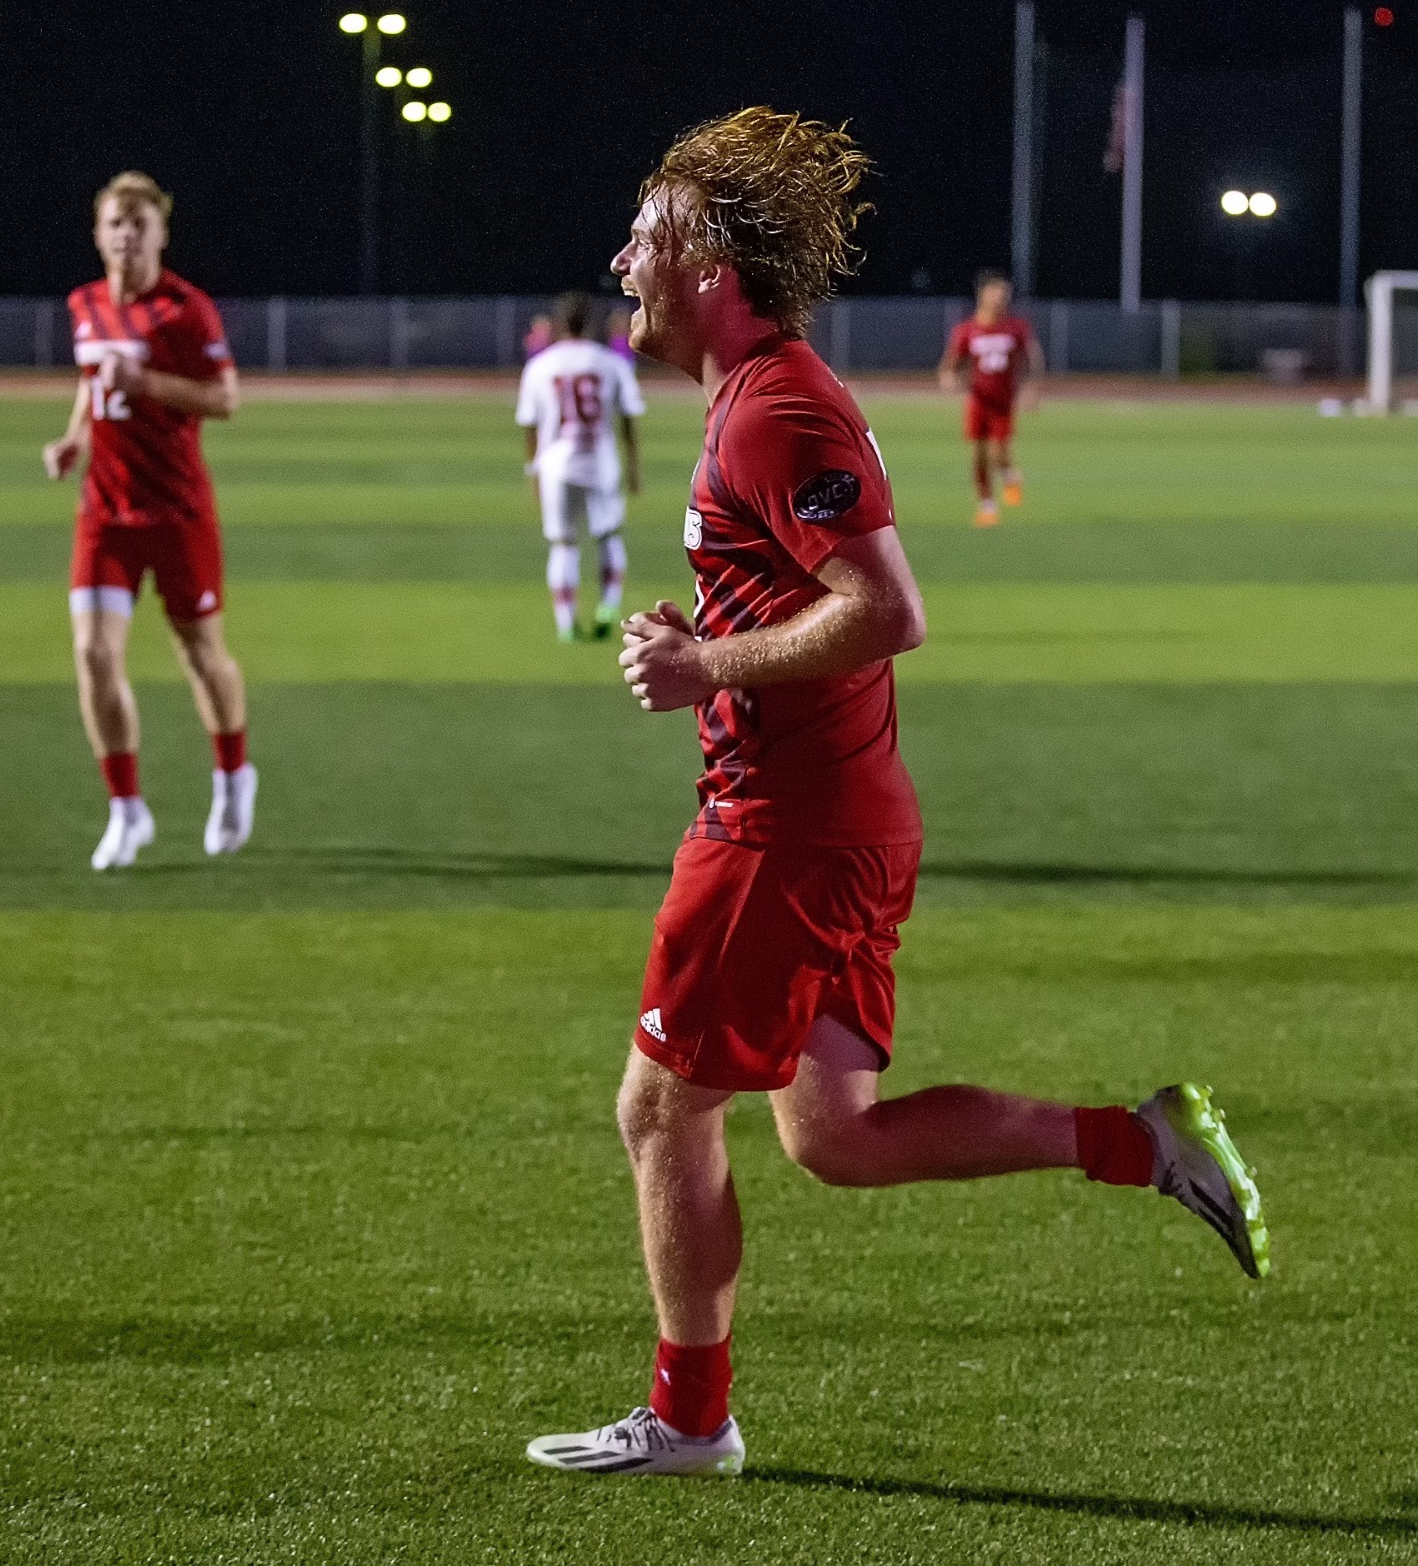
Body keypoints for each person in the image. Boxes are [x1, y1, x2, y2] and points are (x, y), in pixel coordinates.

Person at [524, 109, 1269, 1480]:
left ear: (706, 259)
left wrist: (711, 664)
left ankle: (691, 1420)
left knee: (659, 1108)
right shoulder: (747, 397)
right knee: (839, 1137)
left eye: (646, 230)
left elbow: (886, 609)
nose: (621, 256)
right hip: (834, 816)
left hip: (784, 830)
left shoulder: (780, 402)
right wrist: (701, 636)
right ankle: (1139, 1138)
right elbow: (805, 591)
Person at [42, 171, 253, 871]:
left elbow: (225, 401)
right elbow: (90, 382)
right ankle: (126, 811)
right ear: (98, 234)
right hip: (105, 512)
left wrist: (150, 385)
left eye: (139, 223)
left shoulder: (186, 311)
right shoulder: (83, 304)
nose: (127, 234)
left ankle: (232, 776)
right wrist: (75, 436)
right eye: (115, 223)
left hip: (178, 509)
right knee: (93, 655)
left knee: (201, 656)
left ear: (161, 232)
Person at [517, 291, 645, 641]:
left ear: (558, 324)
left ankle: (566, 622)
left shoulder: (540, 366)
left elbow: (529, 425)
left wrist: (534, 473)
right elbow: (628, 419)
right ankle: (608, 606)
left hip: (556, 464)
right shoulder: (609, 363)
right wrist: (634, 466)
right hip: (601, 461)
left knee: (563, 545)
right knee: (608, 537)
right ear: (589, 323)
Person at [937, 273, 1042, 527]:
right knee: (980, 454)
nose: (1001, 299)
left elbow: (1032, 357)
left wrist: (1031, 387)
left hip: (1003, 402)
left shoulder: (1016, 327)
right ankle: (987, 504)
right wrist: (948, 377)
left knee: (999, 453)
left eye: (1004, 294)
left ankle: (1009, 475)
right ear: (982, 295)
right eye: (996, 292)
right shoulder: (967, 330)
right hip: (978, 400)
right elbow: (950, 363)